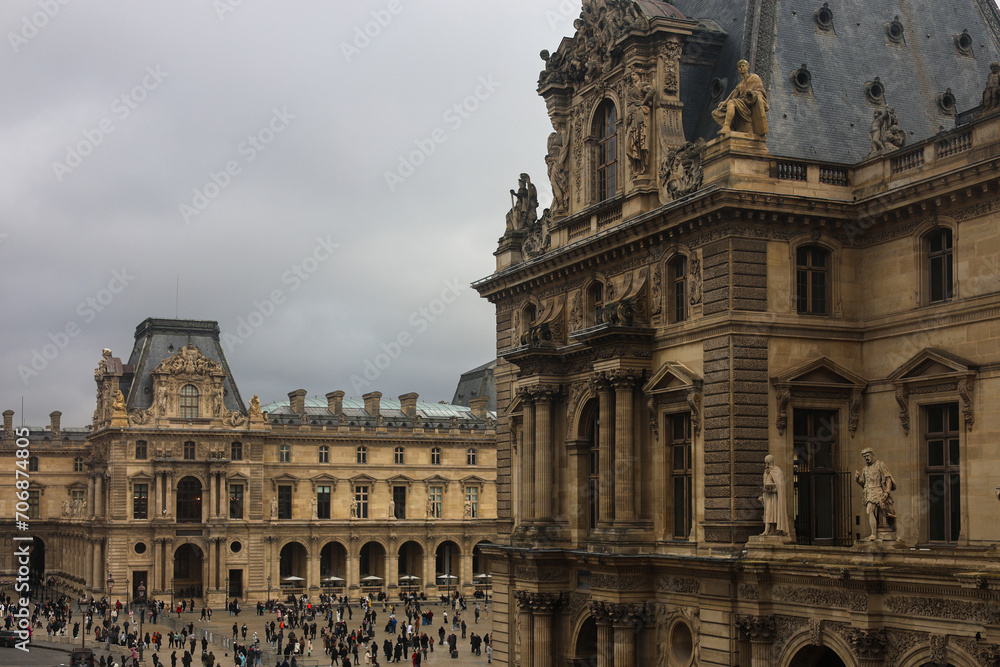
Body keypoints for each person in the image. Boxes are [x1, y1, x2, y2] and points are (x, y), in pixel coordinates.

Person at [712, 59, 768, 137]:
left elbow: (760, 90)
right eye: (739, 67)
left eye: (743, 66)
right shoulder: (741, 83)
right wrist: (724, 102)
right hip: (741, 103)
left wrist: (753, 93)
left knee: (732, 102)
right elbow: (733, 94)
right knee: (715, 113)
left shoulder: (754, 77)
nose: (741, 68)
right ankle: (731, 128)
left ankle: (727, 126)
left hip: (749, 104)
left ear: (747, 67)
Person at [855, 447, 896, 539]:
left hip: (878, 491)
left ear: (872, 455)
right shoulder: (865, 468)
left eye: (867, 455)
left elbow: (888, 477)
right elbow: (864, 483)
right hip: (869, 493)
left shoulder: (880, 464)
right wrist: (857, 479)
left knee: (883, 513)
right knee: (870, 510)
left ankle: (877, 534)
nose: (866, 458)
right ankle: (873, 533)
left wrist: (887, 491)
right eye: (864, 456)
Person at [759, 455, 789, 536]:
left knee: (771, 513)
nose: (767, 465)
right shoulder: (766, 472)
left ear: (771, 462)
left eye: (768, 463)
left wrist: (772, 489)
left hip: (774, 497)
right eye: (766, 463)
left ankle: (767, 530)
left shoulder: (777, 471)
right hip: (767, 496)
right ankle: (771, 531)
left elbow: (780, 487)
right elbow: (764, 484)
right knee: (768, 513)